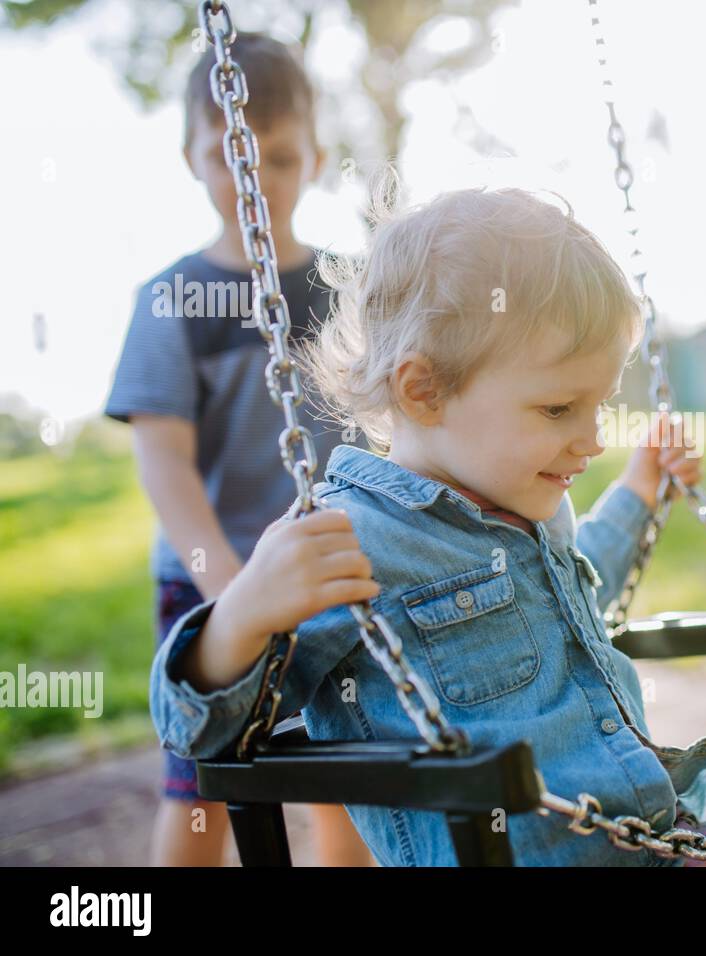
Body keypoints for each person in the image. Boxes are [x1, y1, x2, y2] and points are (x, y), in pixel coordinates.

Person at [149, 180, 706, 867]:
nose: (593, 438)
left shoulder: (530, 506)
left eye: (598, 406)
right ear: (424, 389)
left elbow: (577, 591)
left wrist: (638, 487)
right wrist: (238, 621)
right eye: (559, 410)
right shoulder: (352, 541)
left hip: (665, 839)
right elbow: (200, 731)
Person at [106, 32, 373, 867]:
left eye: (281, 158)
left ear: (317, 157)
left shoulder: (345, 288)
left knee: (348, 777)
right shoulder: (170, 302)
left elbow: (382, 431)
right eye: (228, 156)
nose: (252, 179)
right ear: (191, 156)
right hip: (207, 577)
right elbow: (165, 466)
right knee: (205, 789)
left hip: (326, 569)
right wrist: (232, 589)